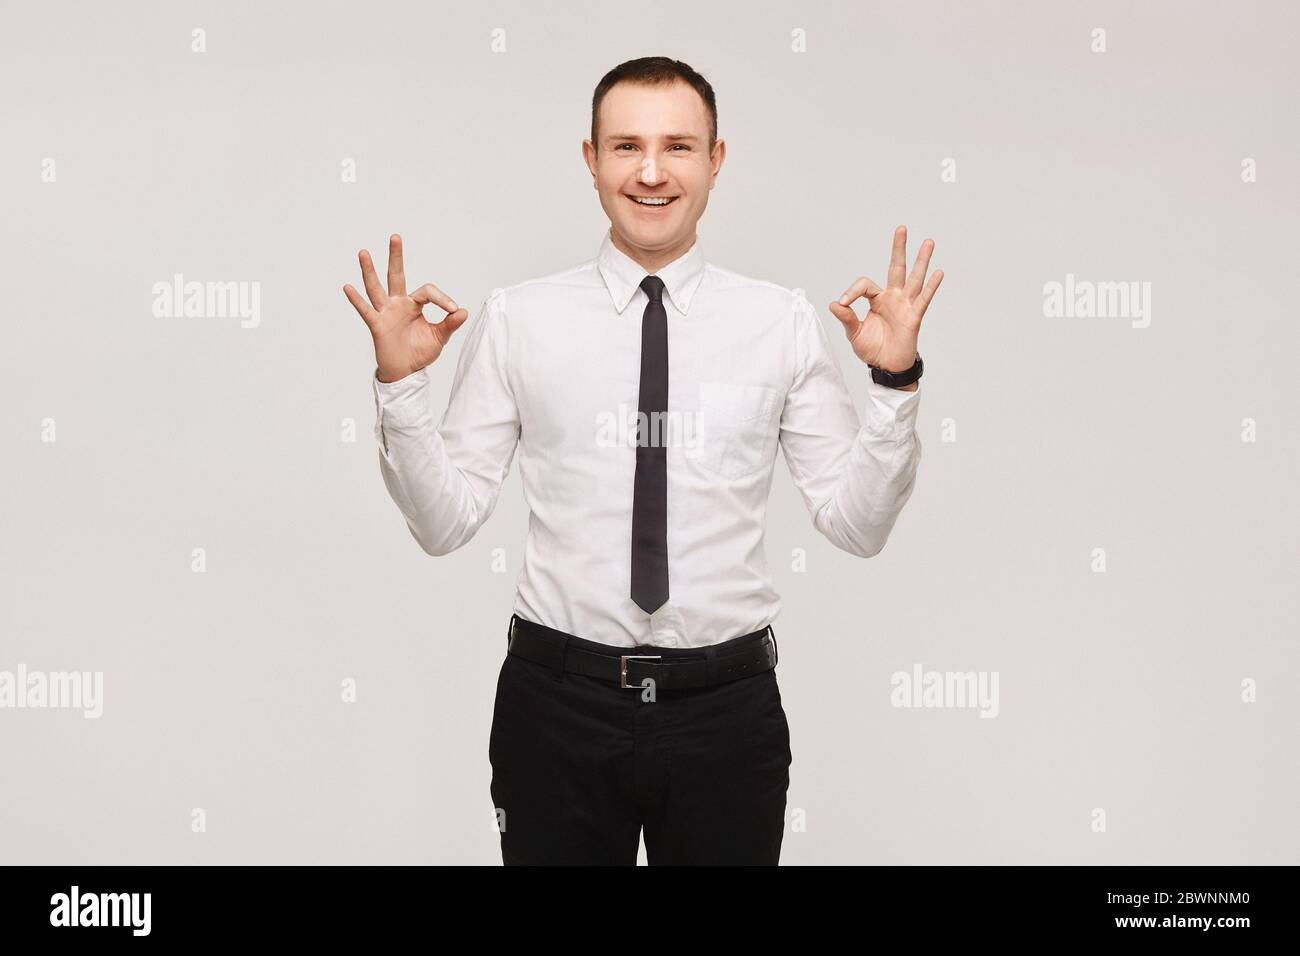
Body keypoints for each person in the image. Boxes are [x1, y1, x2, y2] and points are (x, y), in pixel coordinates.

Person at [342, 56, 943, 865]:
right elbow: (444, 523)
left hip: (726, 712)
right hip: (557, 707)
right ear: (590, 161)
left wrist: (894, 381)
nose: (652, 172)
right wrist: (401, 386)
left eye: (679, 147)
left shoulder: (780, 323)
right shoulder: (521, 318)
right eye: (626, 147)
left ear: (716, 160)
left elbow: (858, 524)